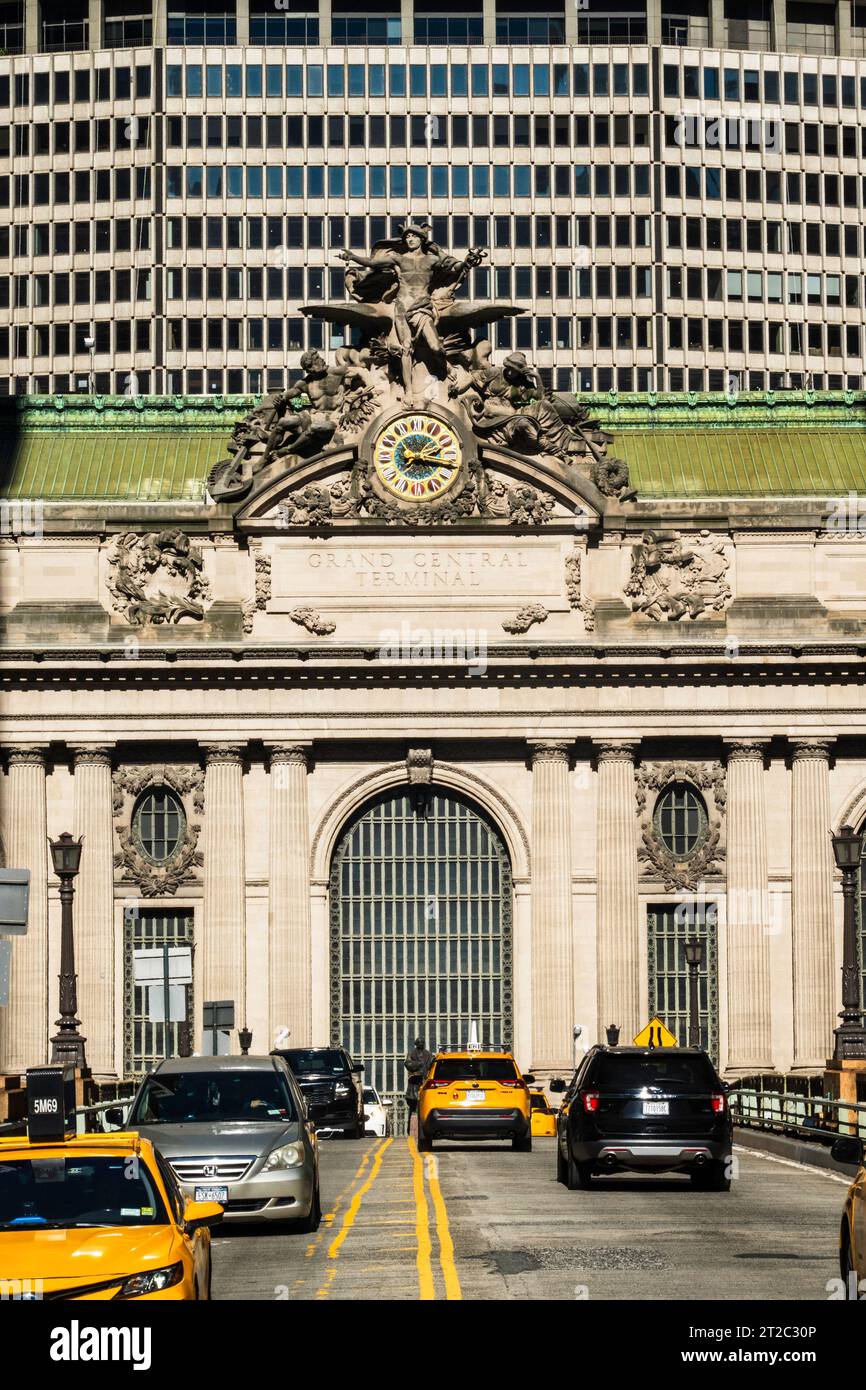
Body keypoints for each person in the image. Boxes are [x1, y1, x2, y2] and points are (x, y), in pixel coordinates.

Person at [403, 1037, 433, 1132]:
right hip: (414, 1082)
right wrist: (418, 1064)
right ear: (416, 1044)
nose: (421, 1044)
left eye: (422, 1042)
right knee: (414, 1106)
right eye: (419, 1042)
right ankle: (411, 1129)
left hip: (424, 1081)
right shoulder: (412, 1053)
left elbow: (431, 1065)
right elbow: (408, 1064)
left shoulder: (428, 1054)